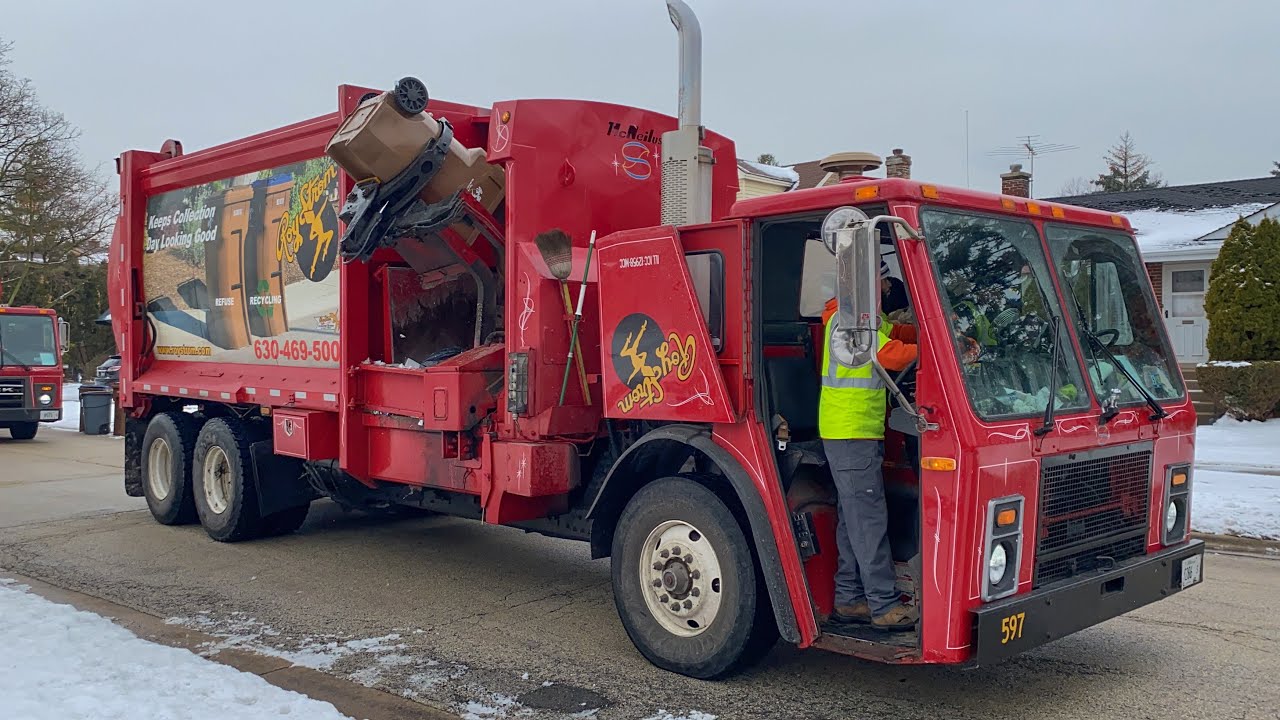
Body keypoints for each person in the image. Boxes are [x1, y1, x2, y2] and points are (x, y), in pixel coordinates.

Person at [819, 296, 919, 631]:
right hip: (851, 431)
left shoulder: (866, 318)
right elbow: (892, 353)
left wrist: (930, 330)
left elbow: (899, 333)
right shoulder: (848, 320)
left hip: (854, 431)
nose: (885, 284)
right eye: (878, 274)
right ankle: (884, 605)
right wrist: (945, 350)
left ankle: (849, 599)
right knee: (869, 520)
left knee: (854, 519)